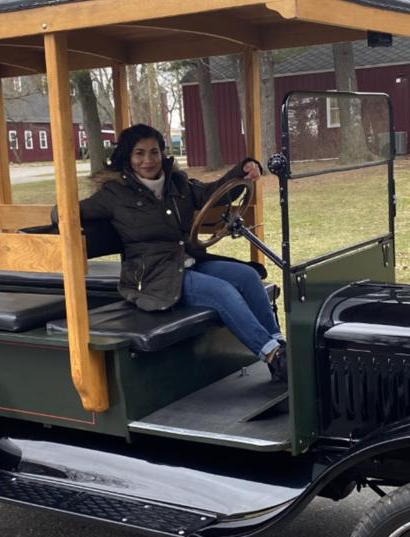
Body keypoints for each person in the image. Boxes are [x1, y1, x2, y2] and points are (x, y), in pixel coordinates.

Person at [76, 124, 287, 382]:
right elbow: (70, 212)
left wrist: (242, 169)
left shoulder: (177, 183)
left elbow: (215, 193)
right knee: (222, 291)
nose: (148, 160)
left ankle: (279, 343)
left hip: (188, 261)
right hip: (153, 276)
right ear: (127, 157)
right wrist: (42, 224)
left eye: (154, 152)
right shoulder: (114, 194)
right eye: (139, 153)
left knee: (246, 276)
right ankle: (273, 356)